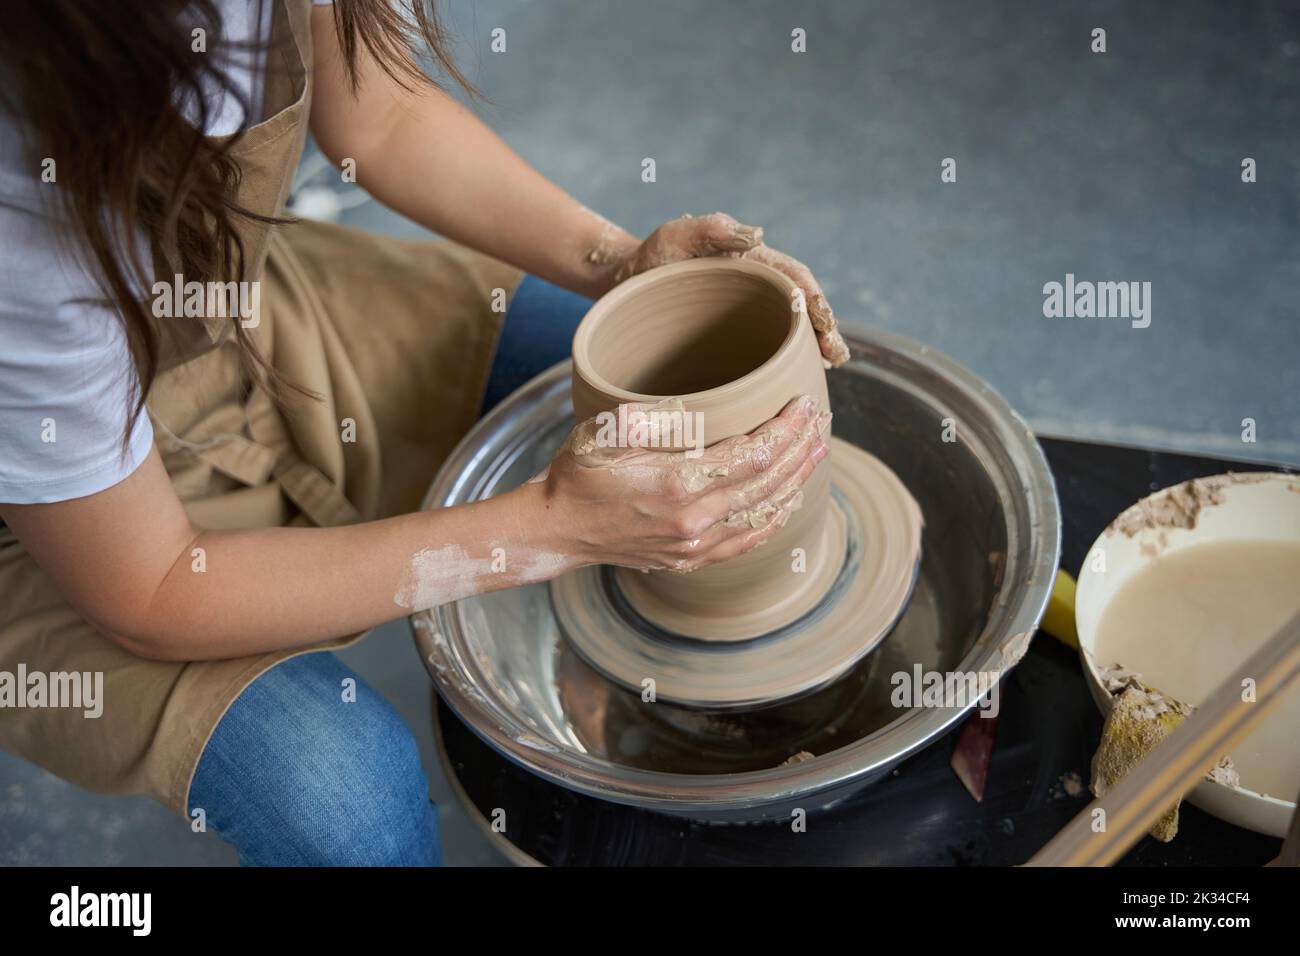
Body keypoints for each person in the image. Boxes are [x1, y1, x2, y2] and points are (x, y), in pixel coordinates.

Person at [0, 0, 847, 865]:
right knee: (344, 802)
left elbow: (382, 117)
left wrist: (619, 265)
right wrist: (546, 527)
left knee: (646, 378)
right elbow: (154, 589)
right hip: (56, 536)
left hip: (230, 309)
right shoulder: (21, 212)